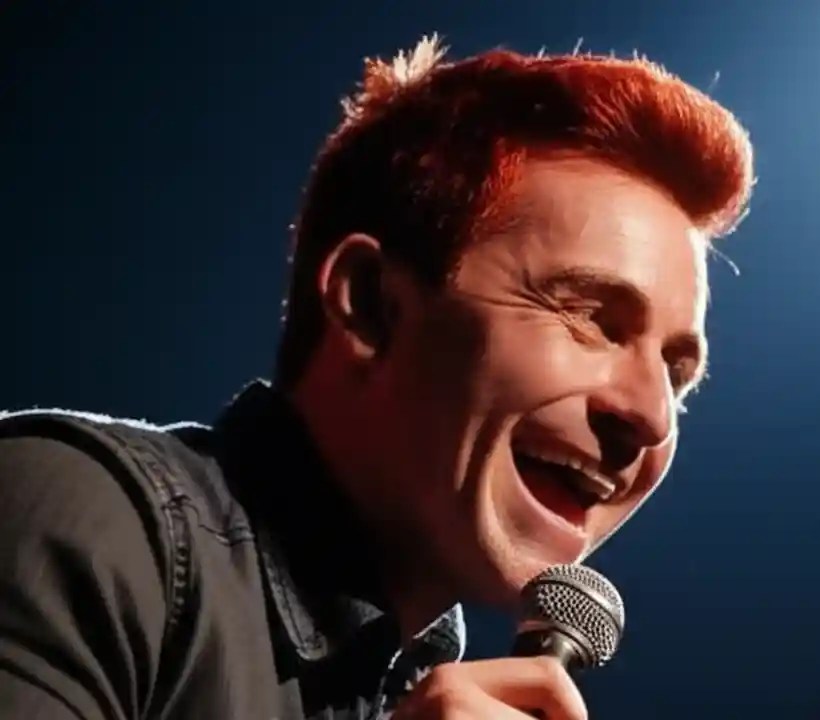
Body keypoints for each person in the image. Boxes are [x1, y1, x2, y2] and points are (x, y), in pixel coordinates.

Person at [0, 34, 753, 719]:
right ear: (369, 304)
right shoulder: (79, 517)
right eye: (592, 318)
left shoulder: (409, 687)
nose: (652, 416)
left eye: (677, 374)